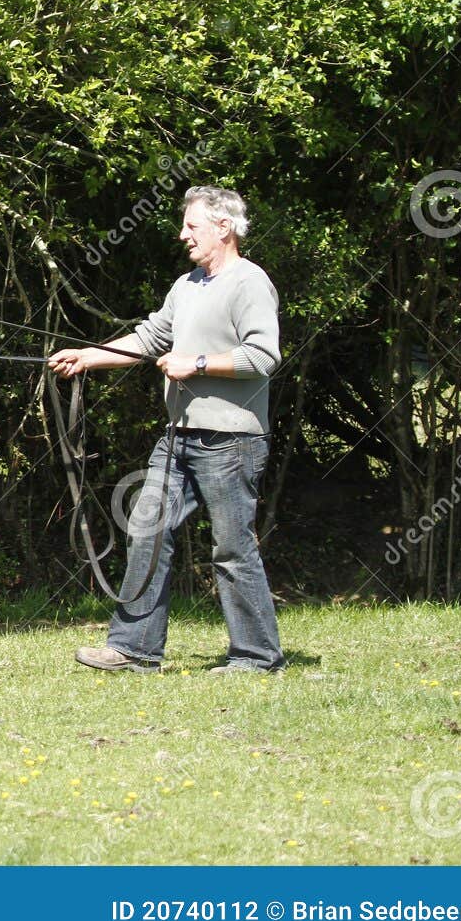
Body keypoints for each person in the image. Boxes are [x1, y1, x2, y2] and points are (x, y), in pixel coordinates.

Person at [49, 185, 284, 674]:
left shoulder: (249, 283)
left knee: (232, 549)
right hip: (179, 435)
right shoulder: (187, 285)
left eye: (192, 226)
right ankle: (134, 650)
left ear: (224, 227)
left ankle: (258, 657)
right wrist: (88, 356)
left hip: (232, 441)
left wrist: (195, 363)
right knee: (146, 529)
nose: (183, 235)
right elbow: (151, 337)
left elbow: (263, 357)